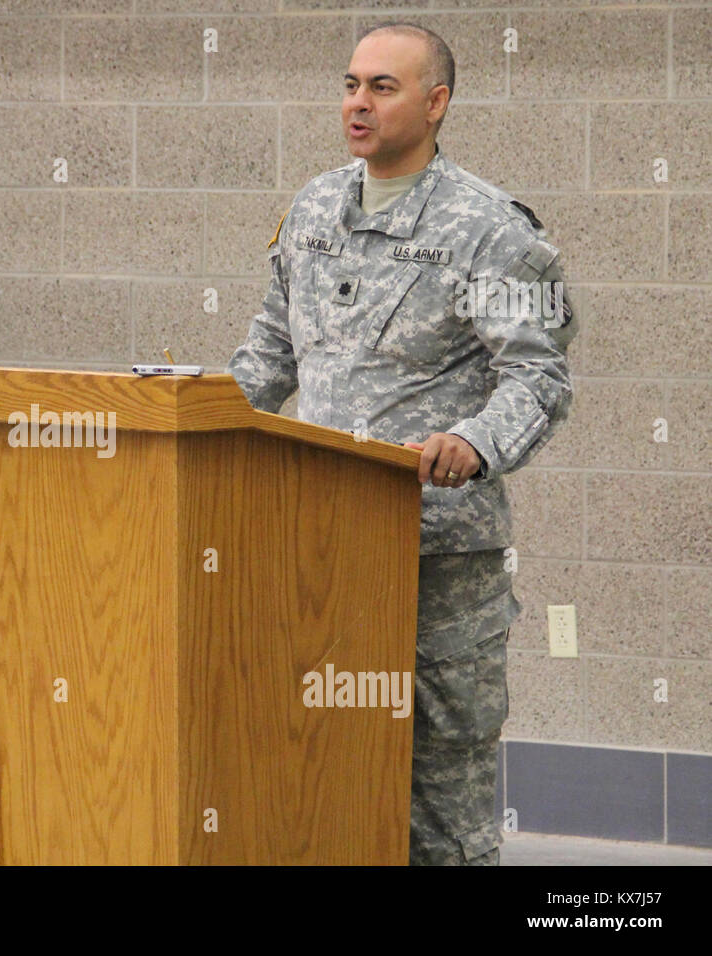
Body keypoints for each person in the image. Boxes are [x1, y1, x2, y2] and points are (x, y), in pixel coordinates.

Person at [227, 23, 578, 865]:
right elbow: (269, 355)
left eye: (383, 87)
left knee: (439, 787)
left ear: (436, 103)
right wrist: (190, 417)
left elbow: (540, 379)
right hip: (317, 550)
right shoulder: (314, 208)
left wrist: (474, 439)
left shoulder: (490, 229)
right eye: (350, 83)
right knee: (313, 768)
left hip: (436, 557)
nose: (357, 101)